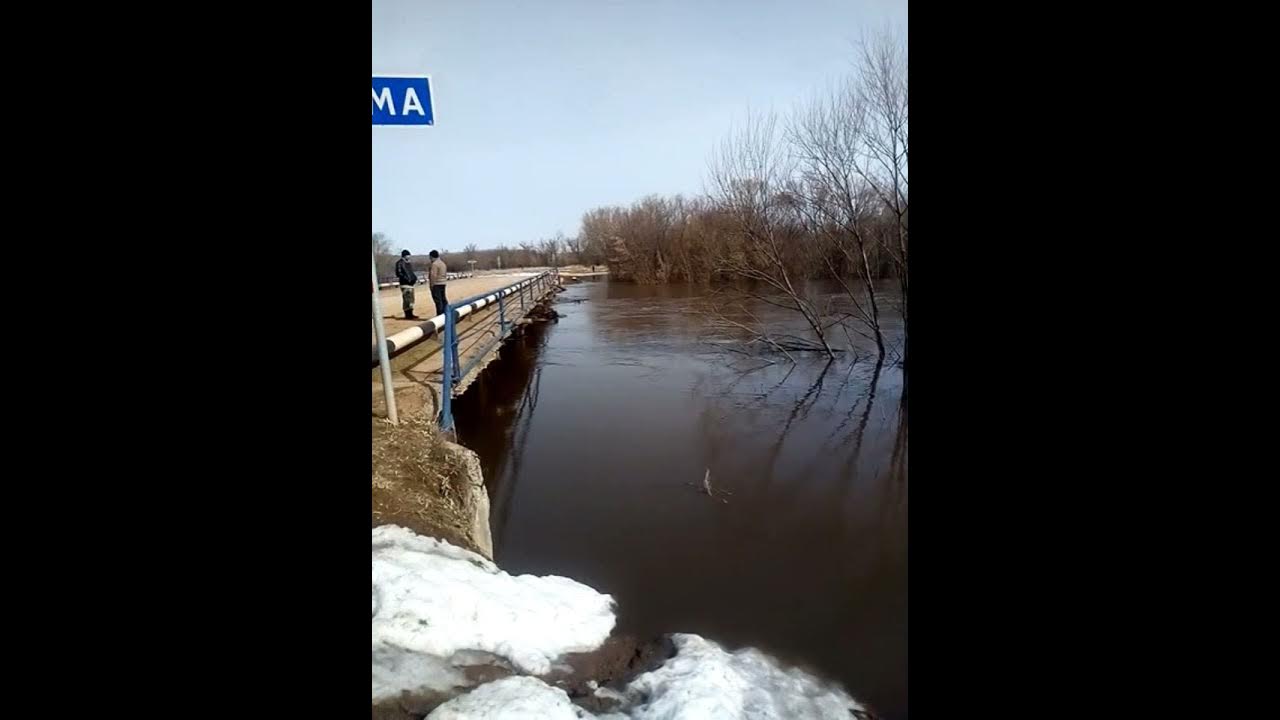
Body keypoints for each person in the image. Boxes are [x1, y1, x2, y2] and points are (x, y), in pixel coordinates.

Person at [395, 250, 418, 319]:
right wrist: (406, 279)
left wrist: (414, 278)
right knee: (407, 299)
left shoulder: (408, 263)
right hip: (405, 283)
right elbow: (399, 273)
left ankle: (411, 313)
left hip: (411, 284)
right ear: (404, 256)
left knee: (411, 299)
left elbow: (411, 272)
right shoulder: (399, 263)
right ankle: (407, 314)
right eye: (408, 255)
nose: (409, 256)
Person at [429, 250, 449, 317]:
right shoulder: (443, 263)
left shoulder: (434, 264)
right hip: (443, 283)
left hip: (436, 284)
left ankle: (440, 315)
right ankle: (446, 312)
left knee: (438, 300)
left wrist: (431, 285)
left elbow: (433, 275)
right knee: (443, 299)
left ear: (432, 257)